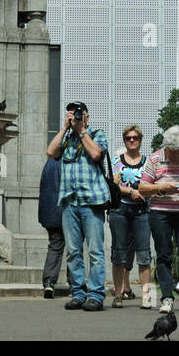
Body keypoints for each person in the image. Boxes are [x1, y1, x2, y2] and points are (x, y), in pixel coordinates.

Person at [46, 100, 111, 311]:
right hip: (69, 202)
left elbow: (95, 154)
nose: (75, 116)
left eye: (78, 113)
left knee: (94, 251)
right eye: (71, 113)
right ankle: (78, 293)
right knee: (73, 252)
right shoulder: (65, 138)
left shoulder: (97, 134)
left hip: (92, 201)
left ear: (87, 117)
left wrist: (82, 131)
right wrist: (66, 127)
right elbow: (51, 152)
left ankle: (96, 294)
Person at [137, 126, 179, 315]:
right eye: (173, 152)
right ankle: (167, 298)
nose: (176, 156)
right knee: (164, 255)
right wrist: (162, 187)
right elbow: (142, 187)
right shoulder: (155, 159)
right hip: (160, 213)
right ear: (166, 146)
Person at [107, 124, 153, 309]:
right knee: (118, 252)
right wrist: (130, 192)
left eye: (135, 138)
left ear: (140, 140)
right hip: (120, 209)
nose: (132, 141)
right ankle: (118, 294)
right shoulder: (116, 161)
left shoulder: (149, 162)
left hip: (142, 211)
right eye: (128, 138)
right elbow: (111, 184)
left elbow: (154, 184)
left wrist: (144, 192)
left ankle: (146, 296)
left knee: (144, 253)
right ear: (124, 141)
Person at [37, 155, 64, 299]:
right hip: (68, 211)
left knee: (55, 246)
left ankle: (49, 282)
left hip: (51, 213)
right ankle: (75, 285)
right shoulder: (71, 161)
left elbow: (43, 189)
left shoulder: (49, 164)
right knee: (74, 248)